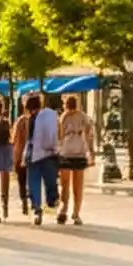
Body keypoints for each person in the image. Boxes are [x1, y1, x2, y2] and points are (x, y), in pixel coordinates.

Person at [57, 94, 96, 226]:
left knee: (64, 185)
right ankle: (76, 213)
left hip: (66, 153)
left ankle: (63, 209)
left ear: (65, 105)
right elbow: (89, 136)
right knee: (78, 186)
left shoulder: (63, 118)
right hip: (79, 153)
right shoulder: (84, 117)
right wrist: (91, 153)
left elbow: (60, 137)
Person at [24, 94, 61, 225]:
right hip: (50, 154)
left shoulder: (32, 119)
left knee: (34, 182)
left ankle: (37, 209)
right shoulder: (51, 115)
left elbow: (30, 138)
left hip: (34, 155)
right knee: (50, 180)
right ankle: (52, 200)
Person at [12, 95, 32, 215]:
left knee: (22, 180)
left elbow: (13, 139)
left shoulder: (20, 121)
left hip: (20, 155)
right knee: (32, 179)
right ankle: (31, 199)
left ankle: (24, 199)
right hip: (33, 155)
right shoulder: (37, 120)